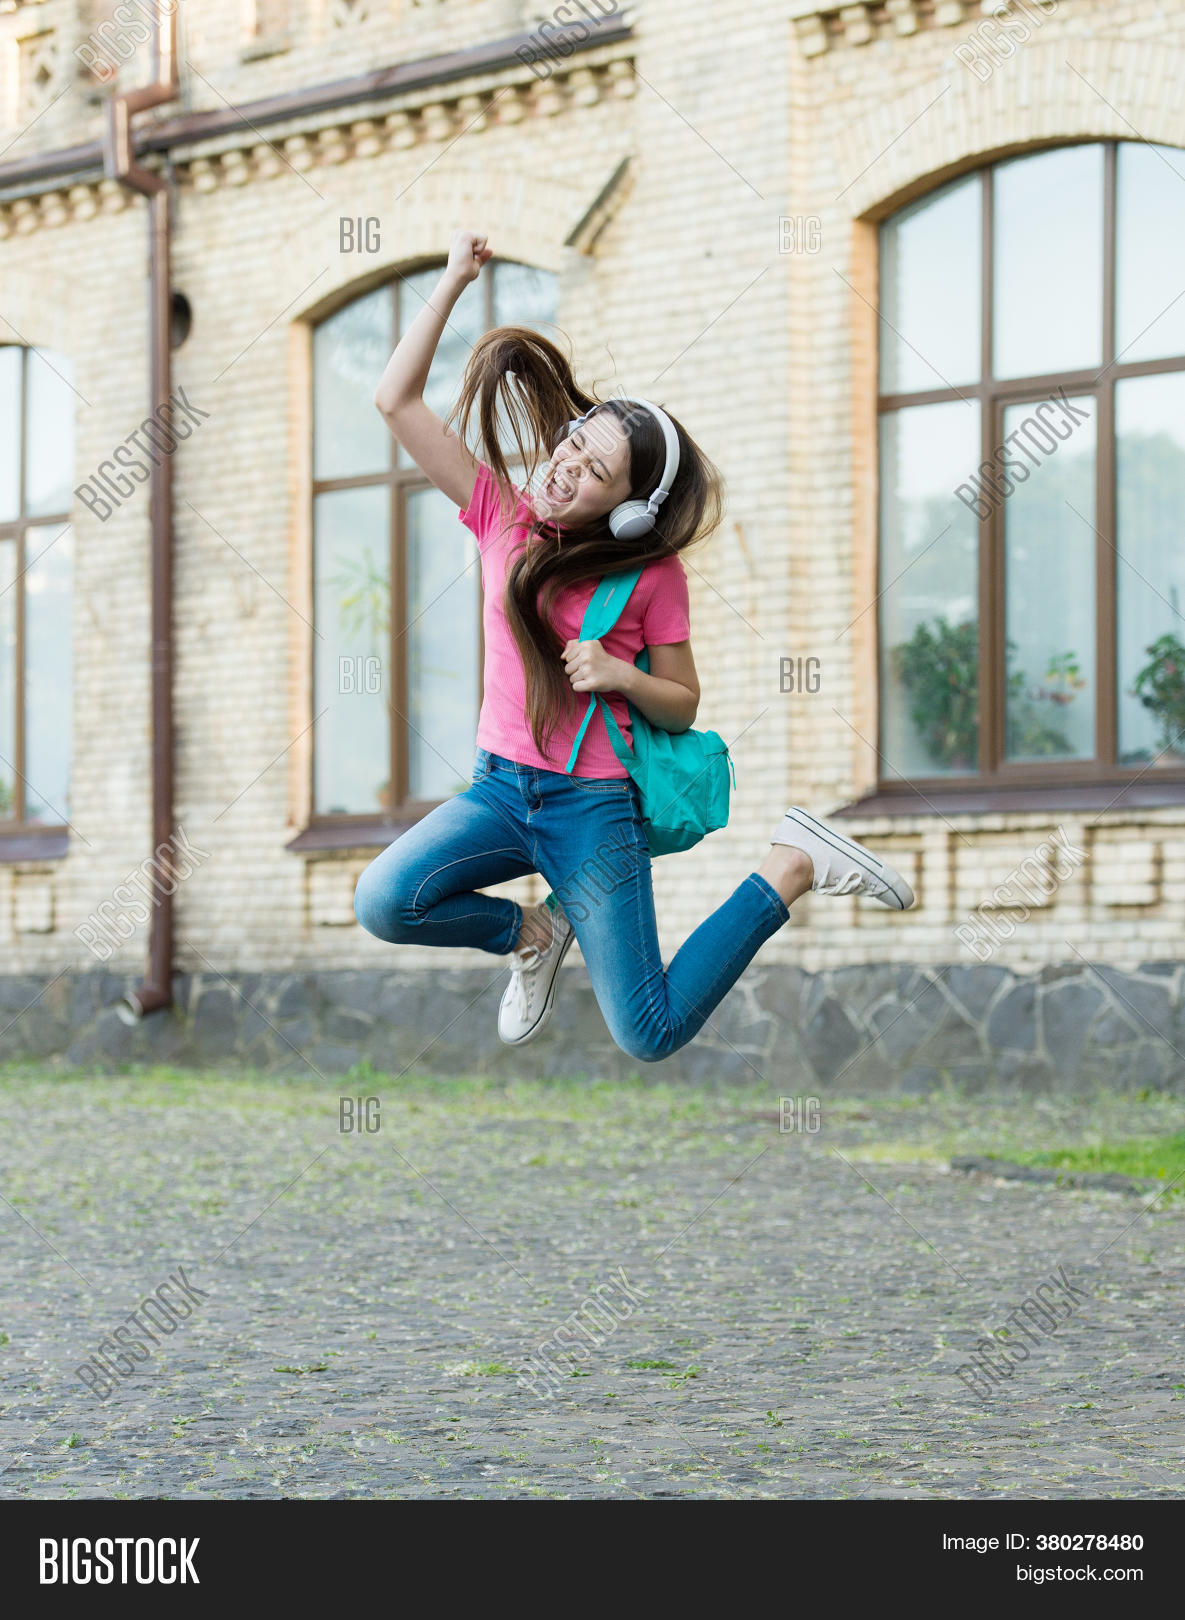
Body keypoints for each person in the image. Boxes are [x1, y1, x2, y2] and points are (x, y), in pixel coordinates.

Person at [354, 228, 914, 1061]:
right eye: (575, 440)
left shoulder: (650, 579)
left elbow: (684, 704)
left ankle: (791, 862)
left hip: (592, 809)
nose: (567, 464)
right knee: (386, 900)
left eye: (597, 469)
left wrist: (619, 673)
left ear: (629, 510)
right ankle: (534, 935)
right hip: (501, 789)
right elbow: (395, 400)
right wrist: (451, 282)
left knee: (646, 1032)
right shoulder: (499, 515)